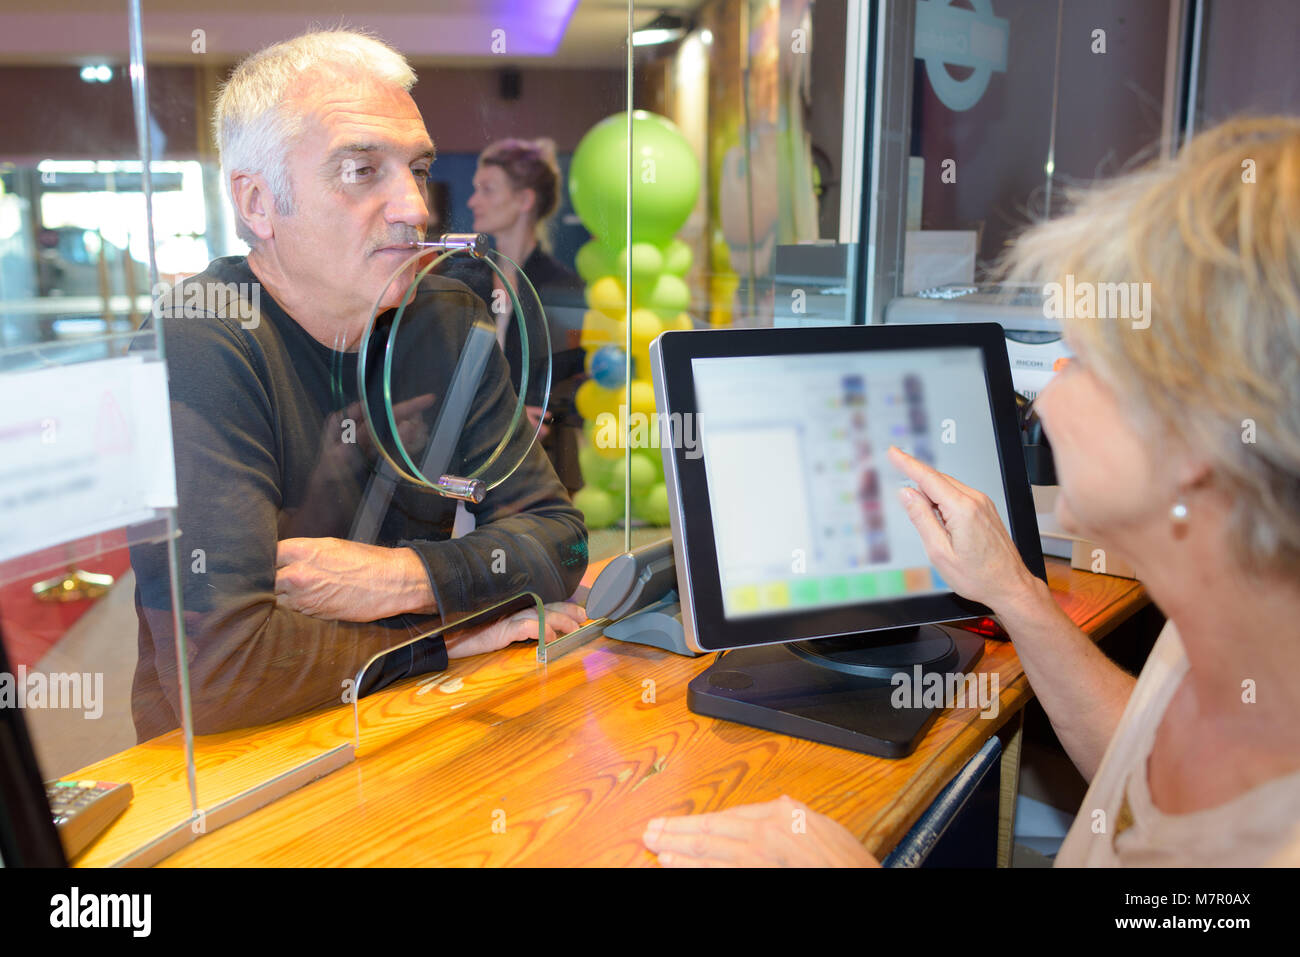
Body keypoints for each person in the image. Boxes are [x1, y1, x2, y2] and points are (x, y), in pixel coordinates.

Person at [642, 116, 1300, 867]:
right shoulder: (1221, 630)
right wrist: (1013, 592)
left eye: (1083, 360)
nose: (1047, 394)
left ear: (1196, 441)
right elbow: (1139, 770)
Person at [128, 29, 588, 739]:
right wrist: (447, 633)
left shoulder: (446, 320)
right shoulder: (196, 341)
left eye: (417, 169)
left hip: (414, 722)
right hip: (240, 764)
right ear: (257, 203)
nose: (415, 207)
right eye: (361, 170)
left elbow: (560, 540)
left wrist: (400, 579)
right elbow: (224, 672)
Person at [467, 138, 587, 493]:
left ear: (524, 200)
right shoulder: (465, 279)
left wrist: (531, 413)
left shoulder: (562, 289)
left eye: (487, 190)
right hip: (470, 457)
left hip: (536, 469)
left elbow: (570, 382)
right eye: (475, 189)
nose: (473, 201)